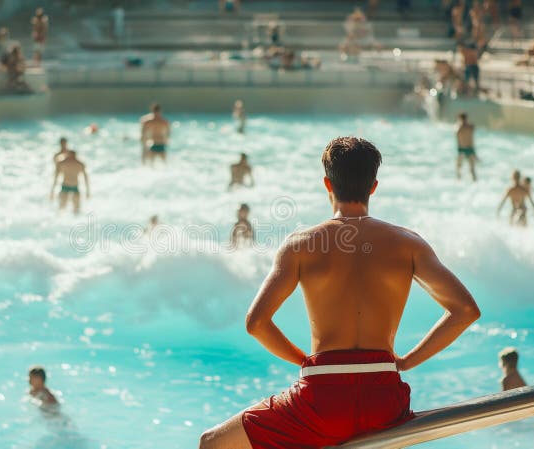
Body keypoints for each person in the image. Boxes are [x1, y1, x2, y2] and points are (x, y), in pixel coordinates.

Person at [199, 137, 480, 449]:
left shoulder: (301, 244)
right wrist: (408, 361)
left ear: (327, 184)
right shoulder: (408, 243)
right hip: (385, 398)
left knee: (213, 442)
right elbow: (466, 310)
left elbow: (256, 323)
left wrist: (305, 360)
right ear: (373, 186)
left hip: (321, 400)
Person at [456, 113, 478, 181]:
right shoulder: (470, 127)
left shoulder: (459, 128)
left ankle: (459, 180)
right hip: (468, 149)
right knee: (470, 169)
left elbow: (457, 135)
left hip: (463, 149)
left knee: (459, 167)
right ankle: (474, 181)